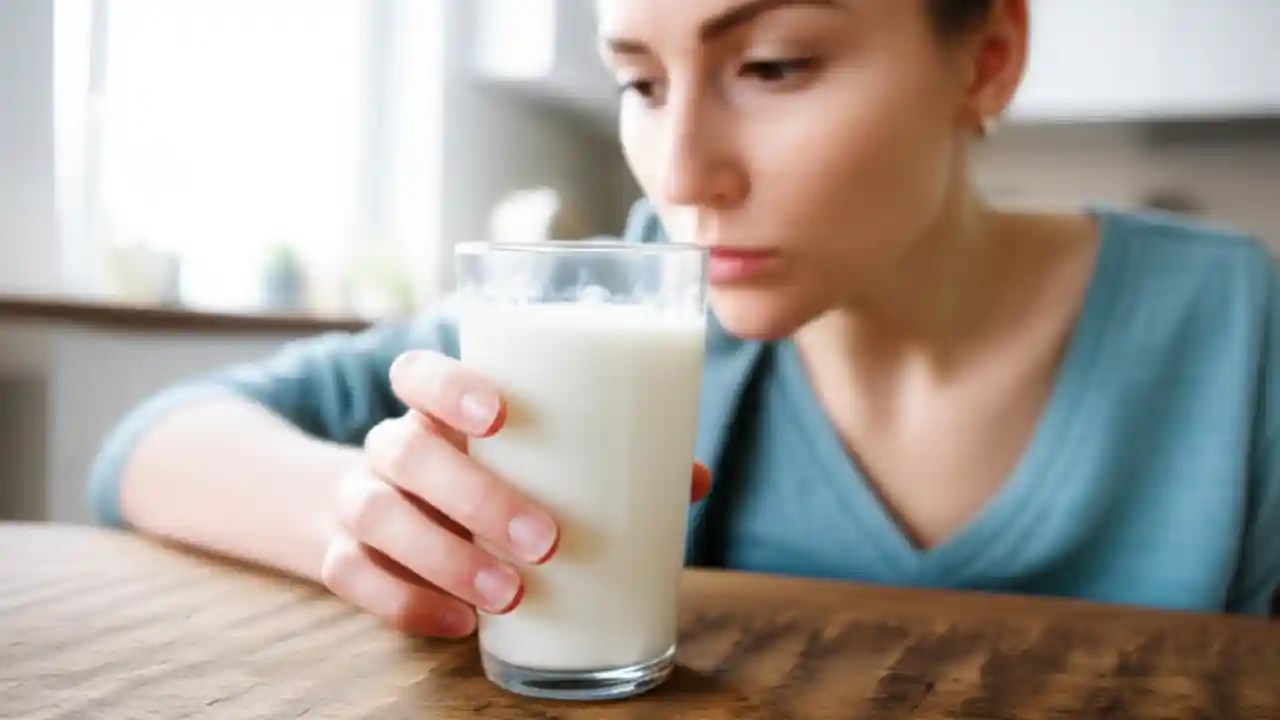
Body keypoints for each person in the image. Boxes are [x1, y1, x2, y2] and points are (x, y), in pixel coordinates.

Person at [90, 0, 1280, 637]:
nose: (679, 175)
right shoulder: (633, 296)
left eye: (772, 65)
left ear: (984, 60)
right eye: (639, 83)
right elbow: (155, 444)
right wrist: (358, 516)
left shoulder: (1237, 330)